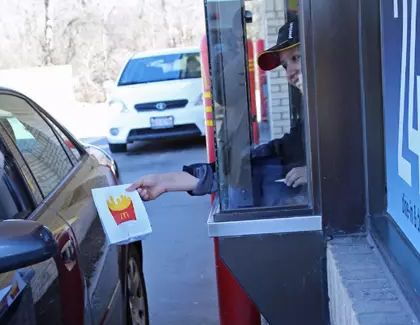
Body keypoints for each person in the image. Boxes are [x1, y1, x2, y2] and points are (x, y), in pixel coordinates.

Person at [128, 18, 308, 203]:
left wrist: (319, 176)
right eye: (285, 65)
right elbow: (271, 156)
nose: (289, 73)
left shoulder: (336, 107)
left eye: (296, 58)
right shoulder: (307, 121)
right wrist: (165, 181)